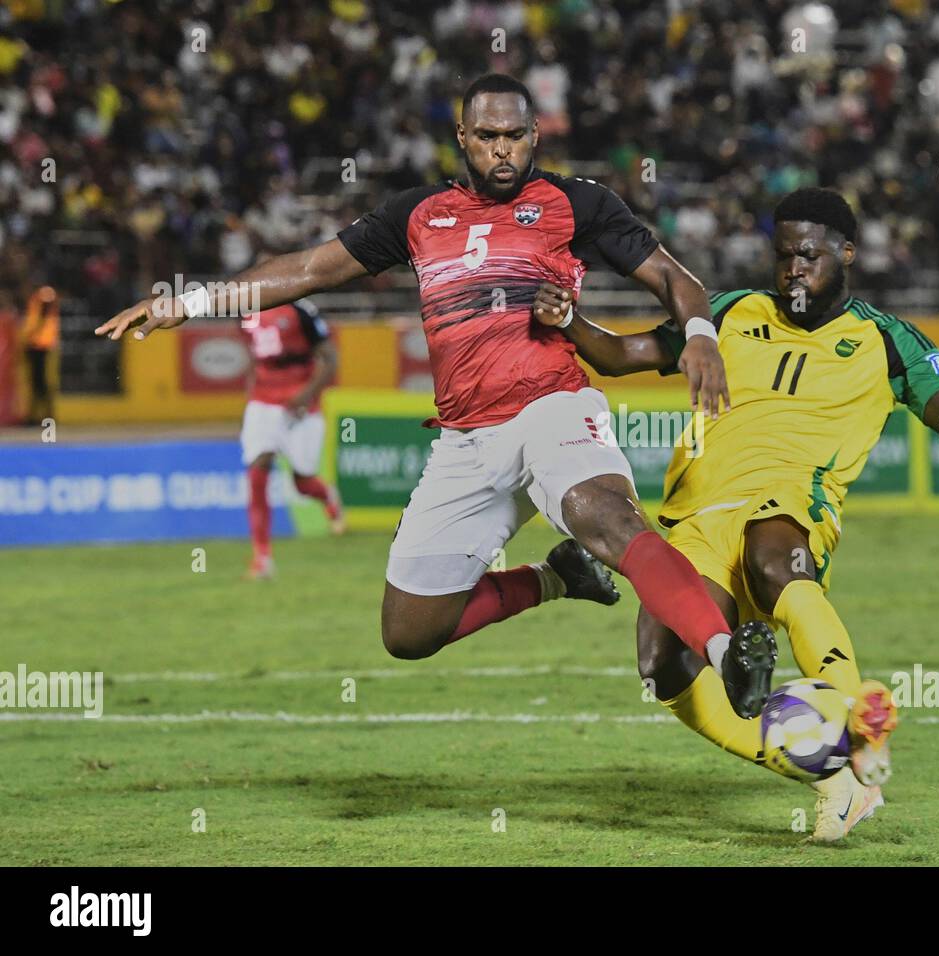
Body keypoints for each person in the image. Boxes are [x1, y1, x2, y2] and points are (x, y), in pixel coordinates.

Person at [96, 73, 773, 717]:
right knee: (409, 631)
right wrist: (192, 300)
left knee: (601, 514)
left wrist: (700, 334)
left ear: (536, 134)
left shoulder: (580, 203)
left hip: (553, 406)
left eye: (515, 136)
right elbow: (306, 270)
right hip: (466, 438)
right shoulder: (418, 215)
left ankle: (726, 654)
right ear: (461, 136)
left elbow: (673, 276)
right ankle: (558, 578)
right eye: (487, 136)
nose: (502, 149)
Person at [532, 188, 939, 840]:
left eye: (808, 255)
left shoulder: (886, 340)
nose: (793, 268)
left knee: (773, 563)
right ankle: (837, 775)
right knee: (662, 661)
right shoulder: (729, 312)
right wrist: (570, 319)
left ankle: (854, 712)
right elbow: (621, 355)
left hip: (792, 500)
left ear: (847, 253)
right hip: (697, 514)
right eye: (783, 256)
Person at [238, 296, 344, 580]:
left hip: (301, 405)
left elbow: (331, 359)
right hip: (262, 403)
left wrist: (307, 395)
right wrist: (251, 398)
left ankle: (327, 495)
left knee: (303, 482)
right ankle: (262, 557)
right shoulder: (247, 310)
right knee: (257, 470)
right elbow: (253, 355)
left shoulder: (302, 310)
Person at [21, 286, 59, 427]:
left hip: (40, 346)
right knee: (37, 383)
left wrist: (30, 336)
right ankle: (41, 416)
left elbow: (42, 315)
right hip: (38, 345)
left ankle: (45, 416)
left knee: (40, 384)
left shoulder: (42, 295)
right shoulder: (36, 298)